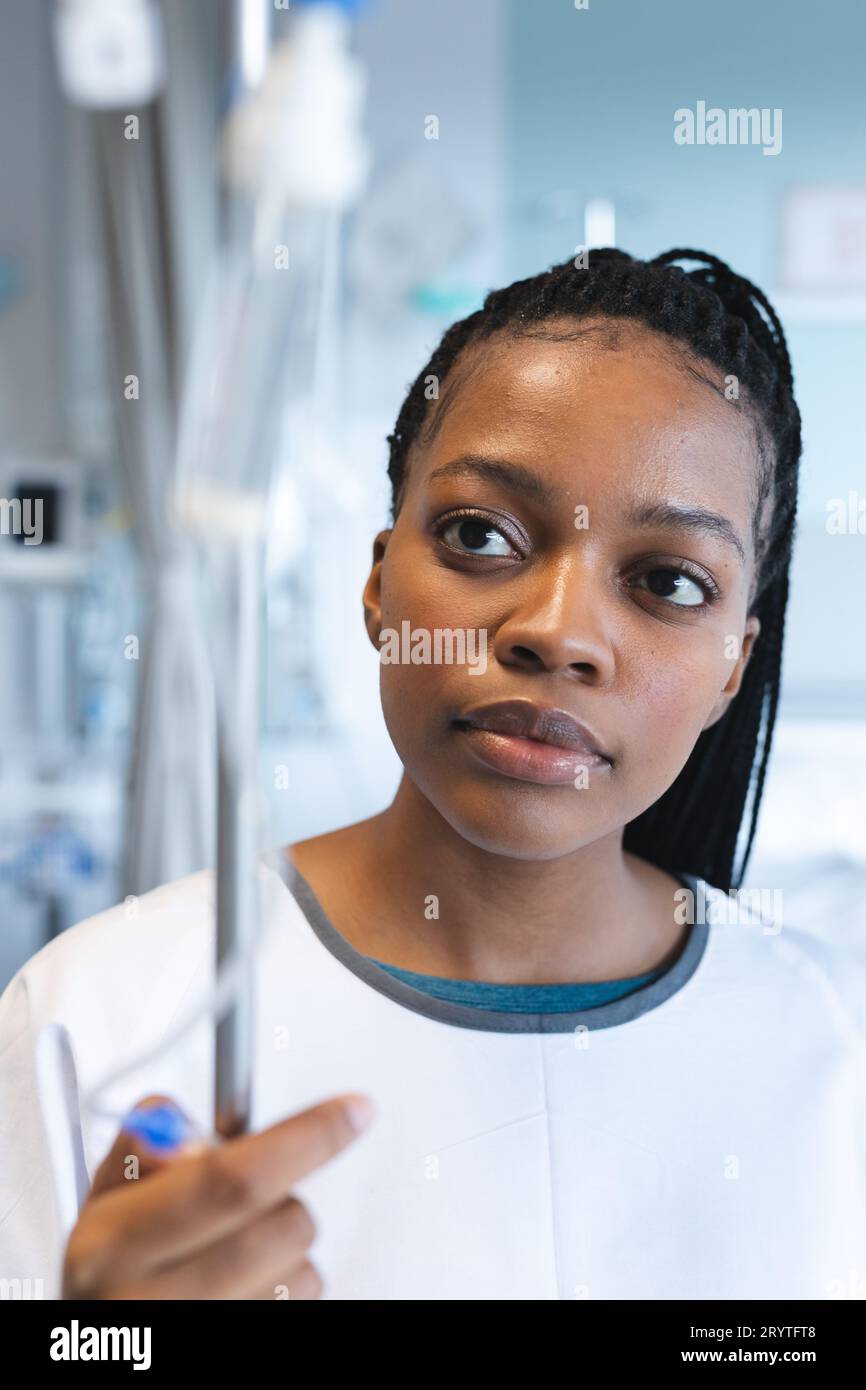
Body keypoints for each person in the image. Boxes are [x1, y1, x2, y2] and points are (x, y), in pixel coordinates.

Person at [2, 248, 864, 1301]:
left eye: (667, 581)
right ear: (377, 584)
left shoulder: (830, 1041)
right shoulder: (101, 1017)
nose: (556, 634)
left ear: (733, 662)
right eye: (478, 534)